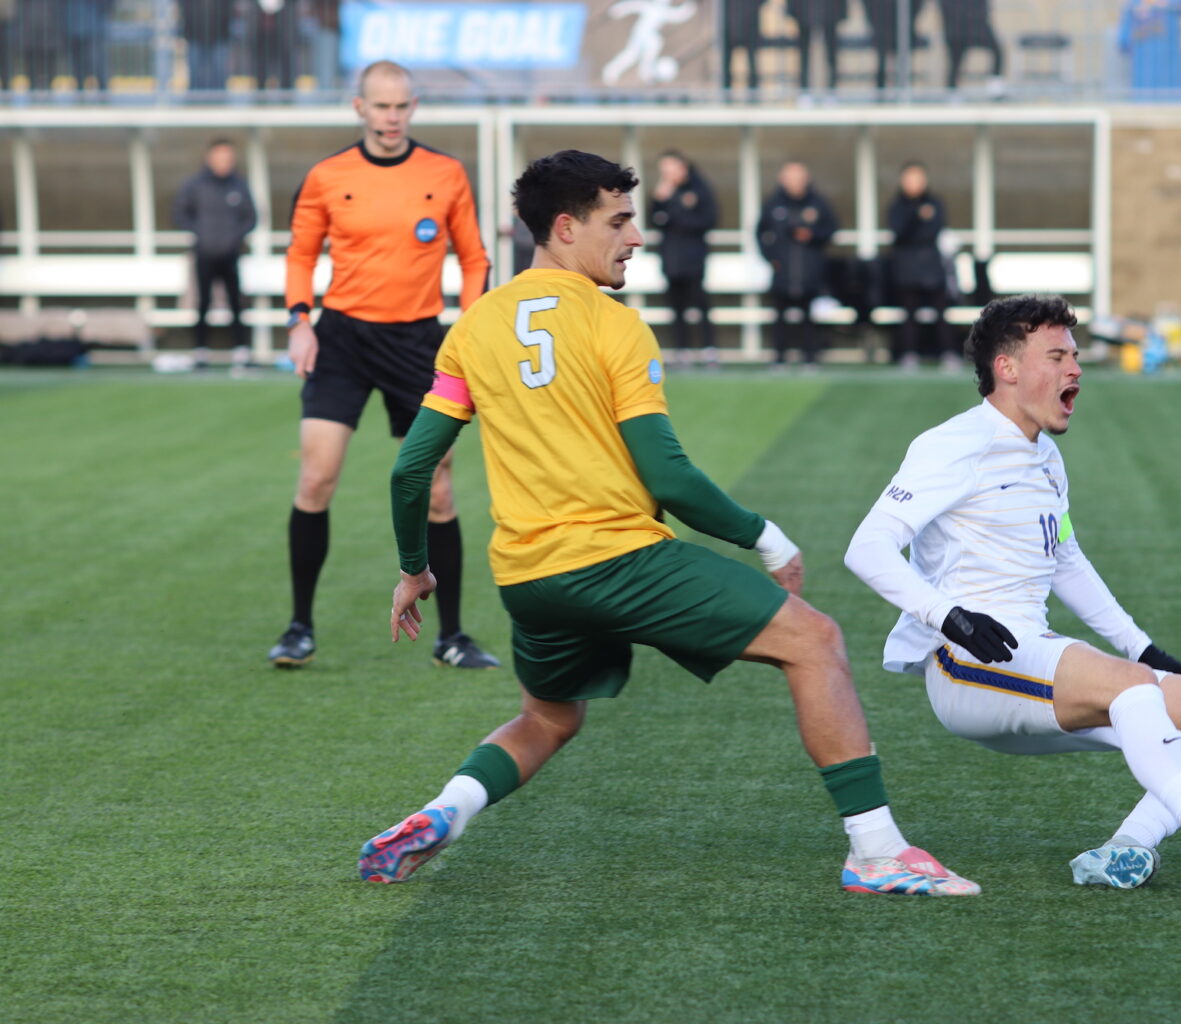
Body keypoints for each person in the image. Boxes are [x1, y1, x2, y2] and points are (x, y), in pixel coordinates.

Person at [358, 149, 977, 899]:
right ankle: (878, 854)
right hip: (618, 560)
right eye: (618, 221)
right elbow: (669, 477)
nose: (635, 237)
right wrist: (767, 537)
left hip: (528, 578)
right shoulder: (614, 325)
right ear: (565, 227)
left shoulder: (473, 327)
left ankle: (445, 810)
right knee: (816, 641)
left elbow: (410, 470)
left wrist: (415, 569)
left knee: (548, 719)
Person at [844, 294, 1181, 892]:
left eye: (1074, 356)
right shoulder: (955, 443)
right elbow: (867, 547)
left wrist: (1141, 647)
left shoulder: (1047, 457)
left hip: (1035, 652)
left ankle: (1127, 847)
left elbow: (1066, 560)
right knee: (1132, 687)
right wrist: (948, 616)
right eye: (1057, 357)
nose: (1075, 369)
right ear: (1007, 368)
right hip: (966, 663)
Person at [269, 61, 496, 669]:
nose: (391, 117)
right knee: (316, 479)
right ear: (359, 107)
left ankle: (452, 637)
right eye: (381, 106)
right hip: (341, 340)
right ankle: (298, 628)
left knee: (438, 488)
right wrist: (299, 322)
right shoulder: (327, 175)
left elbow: (474, 258)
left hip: (419, 343)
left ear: (413, 107)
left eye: (401, 106)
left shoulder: (445, 173)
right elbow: (300, 253)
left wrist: (469, 329)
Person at [173, 139, 258, 370]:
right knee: (202, 303)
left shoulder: (239, 185)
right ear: (210, 158)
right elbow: (180, 213)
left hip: (231, 254)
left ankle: (241, 351)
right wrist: (201, 233)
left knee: (236, 303)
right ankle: (200, 351)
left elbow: (251, 217)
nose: (224, 162)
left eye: (228, 157)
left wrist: (234, 237)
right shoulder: (195, 185)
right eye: (220, 157)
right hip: (204, 253)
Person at [757, 161, 838, 369]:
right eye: (790, 177)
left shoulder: (818, 203)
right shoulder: (774, 203)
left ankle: (810, 357)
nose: (794, 182)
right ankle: (779, 358)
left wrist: (813, 235)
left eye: (798, 177)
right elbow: (760, 233)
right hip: (783, 270)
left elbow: (831, 229)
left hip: (809, 271)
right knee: (780, 317)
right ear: (782, 180)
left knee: (809, 317)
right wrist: (771, 258)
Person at [648, 151, 719, 368]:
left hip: (694, 259)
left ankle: (709, 350)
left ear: (682, 167)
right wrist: (659, 201)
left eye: (670, 169)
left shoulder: (700, 189)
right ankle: (682, 351)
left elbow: (707, 221)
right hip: (670, 259)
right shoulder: (663, 193)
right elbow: (655, 221)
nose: (667, 174)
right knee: (676, 307)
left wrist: (674, 214)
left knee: (699, 304)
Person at [887, 161, 957, 370]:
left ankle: (948, 352)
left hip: (932, 266)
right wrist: (917, 216)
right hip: (906, 268)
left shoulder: (935, 203)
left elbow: (935, 230)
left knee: (941, 312)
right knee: (909, 314)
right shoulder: (897, 206)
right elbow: (899, 232)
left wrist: (918, 229)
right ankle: (909, 353)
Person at [1118, 0, 1181, 101]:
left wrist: (1168, 5)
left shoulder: (1170, 4)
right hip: (1143, 60)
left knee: (1172, 91)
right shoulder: (1134, 4)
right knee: (1144, 92)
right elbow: (1124, 39)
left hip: (1169, 58)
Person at [937, 0, 1003, 91]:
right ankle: (952, 92)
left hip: (968, 29)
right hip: (958, 31)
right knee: (955, 64)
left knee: (997, 51)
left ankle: (995, 88)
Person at [786, 0, 844, 91]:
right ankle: (804, 87)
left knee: (830, 50)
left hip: (829, 8)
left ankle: (832, 88)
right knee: (804, 51)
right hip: (804, 8)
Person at [181, 0, 234, 92]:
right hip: (195, 37)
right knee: (195, 77)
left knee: (219, 76)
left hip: (219, 37)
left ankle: (219, 98)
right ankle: (195, 98)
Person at [721, 0, 765, 92]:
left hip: (748, 23)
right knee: (726, 64)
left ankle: (753, 91)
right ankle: (726, 90)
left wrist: (753, 7)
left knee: (752, 62)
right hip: (731, 24)